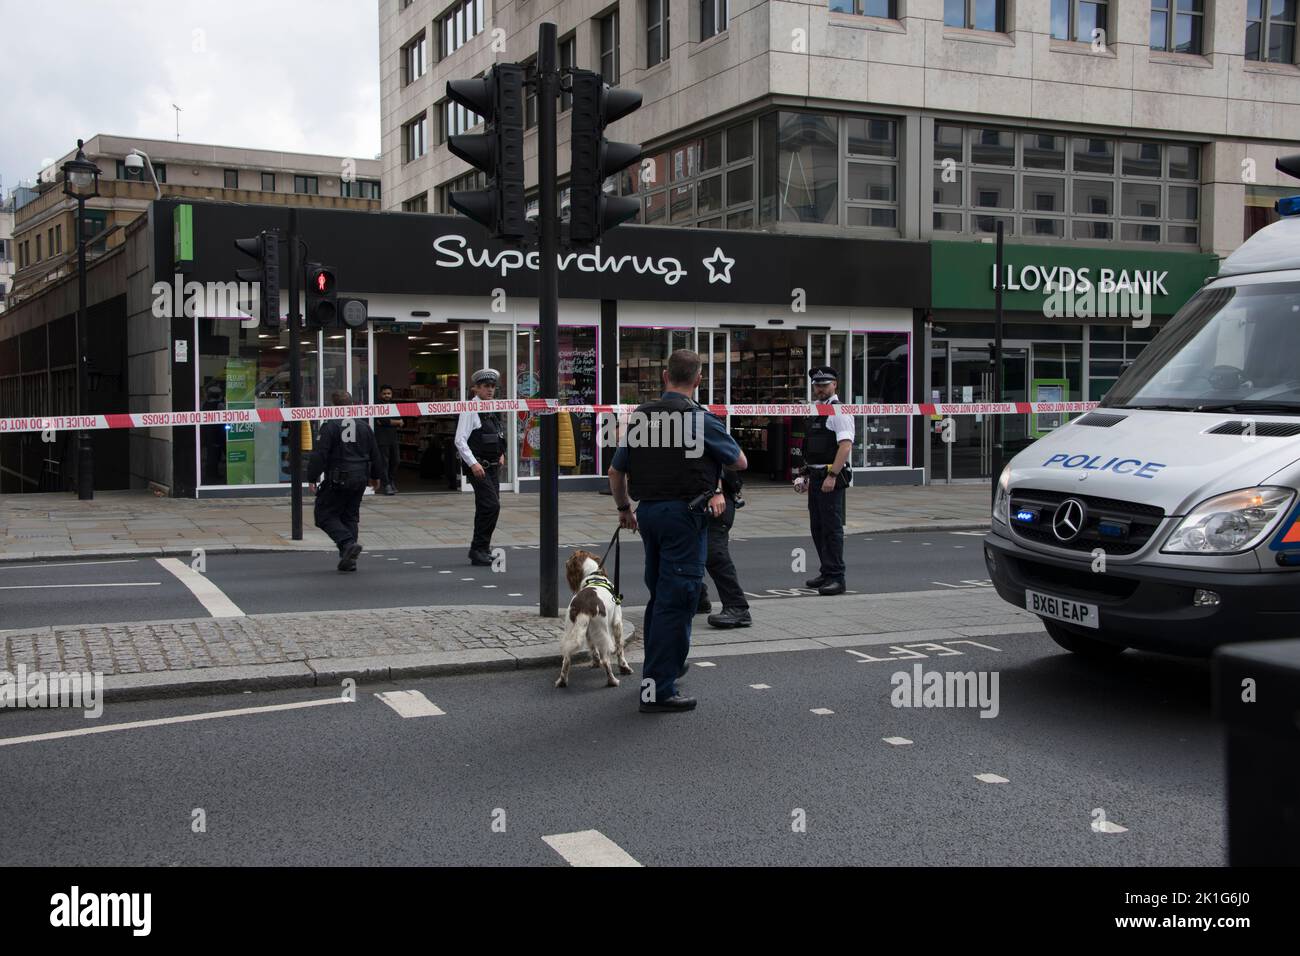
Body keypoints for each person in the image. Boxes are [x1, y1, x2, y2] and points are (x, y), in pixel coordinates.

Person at [609, 349, 747, 713]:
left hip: (649, 514)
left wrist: (624, 509)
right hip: (684, 517)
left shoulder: (641, 418)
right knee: (678, 599)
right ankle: (659, 689)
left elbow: (616, 472)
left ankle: (663, 667)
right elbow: (740, 461)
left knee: (660, 595)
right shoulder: (700, 419)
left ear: (665, 376)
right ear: (698, 380)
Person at [307, 390, 384, 572]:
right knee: (350, 516)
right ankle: (348, 560)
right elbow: (375, 453)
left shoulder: (330, 426)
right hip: (360, 478)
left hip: (339, 477)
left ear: (333, 406)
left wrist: (312, 476)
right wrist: (376, 476)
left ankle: (347, 543)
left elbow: (320, 454)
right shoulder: (364, 426)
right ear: (352, 405)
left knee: (324, 515)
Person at [796, 366, 855, 596]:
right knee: (818, 528)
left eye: (824, 384)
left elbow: (845, 446)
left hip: (830, 476)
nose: (820, 389)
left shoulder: (839, 411)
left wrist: (831, 475)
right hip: (816, 475)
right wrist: (804, 473)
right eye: (817, 385)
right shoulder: (817, 411)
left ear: (835, 385)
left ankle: (837, 577)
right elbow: (813, 449)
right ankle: (826, 571)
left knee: (831, 529)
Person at [455, 368, 507, 567]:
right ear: (476, 388)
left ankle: (481, 549)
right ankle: (478, 549)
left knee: (489, 508)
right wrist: (473, 463)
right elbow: (460, 440)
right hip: (480, 466)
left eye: (493, 386)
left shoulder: (492, 408)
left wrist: (501, 453)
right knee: (490, 506)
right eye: (486, 386)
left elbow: (497, 434)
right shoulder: (470, 409)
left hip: (492, 466)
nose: (490, 390)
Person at [696, 465, 752, 628]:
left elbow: (732, 460)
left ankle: (738, 607)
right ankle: (698, 599)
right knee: (687, 549)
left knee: (714, 552)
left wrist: (717, 490)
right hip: (693, 498)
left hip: (717, 498)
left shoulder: (706, 438)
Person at [373, 384, 403, 495]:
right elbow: (381, 421)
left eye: (389, 393)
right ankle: (386, 485)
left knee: (396, 460)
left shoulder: (394, 405)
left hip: (393, 438)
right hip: (382, 438)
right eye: (384, 393)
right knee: (384, 462)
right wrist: (395, 422)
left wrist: (393, 422)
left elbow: (400, 420)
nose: (387, 395)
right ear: (380, 394)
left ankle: (391, 480)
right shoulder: (378, 406)